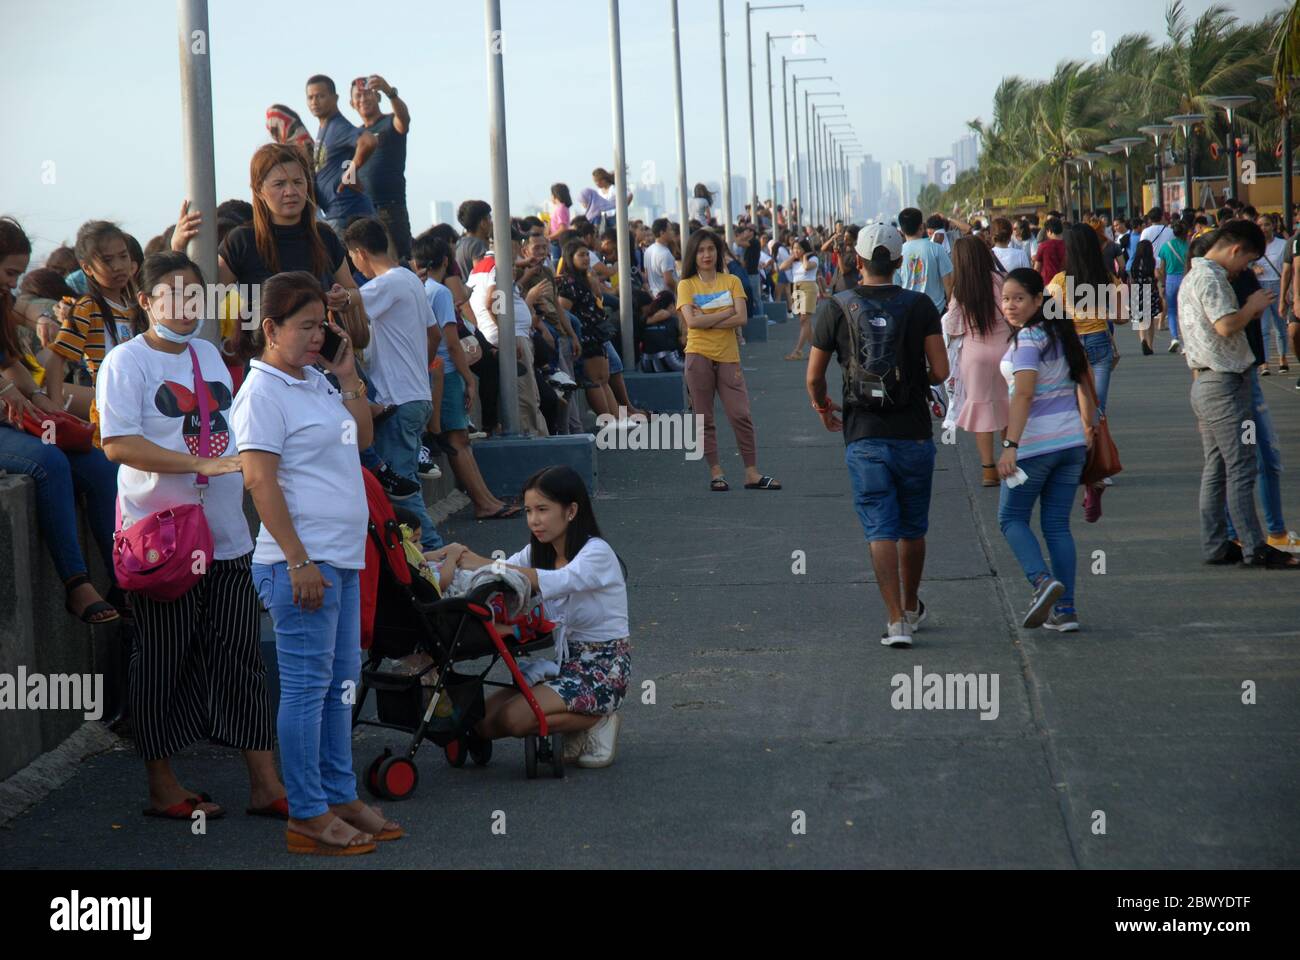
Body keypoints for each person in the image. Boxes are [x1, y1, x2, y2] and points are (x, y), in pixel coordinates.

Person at [98, 250, 286, 820]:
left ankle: (264, 781)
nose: (184, 307)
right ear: (145, 300)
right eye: (171, 296)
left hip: (226, 534)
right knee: (162, 660)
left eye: (194, 296)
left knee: (240, 656)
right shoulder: (125, 362)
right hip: (162, 541)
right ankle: (162, 785)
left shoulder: (207, 352)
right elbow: (116, 443)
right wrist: (199, 466)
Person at [232, 271, 402, 854]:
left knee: (341, 684)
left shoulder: (316, 381)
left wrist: (348, 376)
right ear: (270, 328)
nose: (316, 336)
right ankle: (306, 810)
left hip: (340, 556)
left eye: (320, 325)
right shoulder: (261, 393)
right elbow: (259, 480)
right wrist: (299, 559)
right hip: (300, 562)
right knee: (308, 690)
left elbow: (358, 441)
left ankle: (338, 792)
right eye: (305, 327)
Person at [806, 221, 947, 647]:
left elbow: (814, 377)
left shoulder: (834, 307)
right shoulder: (920, 305)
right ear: (899, 261)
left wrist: (824, 406)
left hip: (863, 432)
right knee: (912, 527)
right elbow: (941, 370)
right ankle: (910, 605)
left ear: (859, 260)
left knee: (879, 528)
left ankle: (895, 622)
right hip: (914, 432)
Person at [434, 465, 630, 768]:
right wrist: (447, 558)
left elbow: (553, 581)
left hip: (602, 669)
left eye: (543, 509)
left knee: (514, 720)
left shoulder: (597, 552)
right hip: (565, 664)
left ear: (571, 510)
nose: (534, 520)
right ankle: (577, 720)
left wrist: (486, 564)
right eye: (528, 511)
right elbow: (499, 578)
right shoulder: (538, 551)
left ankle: (595, 720)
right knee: (481, 724)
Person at [0, 217, 120, 624]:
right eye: (10, 272)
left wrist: (37, 398)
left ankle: (124, 578)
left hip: (12, 419)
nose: (14, 284)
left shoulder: (3, 303)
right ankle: (77, 584)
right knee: (48, 462)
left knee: (98, 464)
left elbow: (13, 366)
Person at [1177, 220, 1298, 569]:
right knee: (1242, 466)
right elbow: (1226, 324)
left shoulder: (1192, 277)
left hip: (1206, 383)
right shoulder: (1211, 277)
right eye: (1246, 261)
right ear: (1235, 250)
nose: (1245, 268)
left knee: (1216, 467)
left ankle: (1217, 543)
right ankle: (1255, 547)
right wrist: (1253, 306)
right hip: (1225, 385)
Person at [995, 268, 1097, 631]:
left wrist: (1010, 446)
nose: (1010, 305)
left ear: (1039, 300)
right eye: (1005, 298)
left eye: (1019, 298)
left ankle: (1042, 582)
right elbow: (1086, 378)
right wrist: (1088, 424)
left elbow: (1023, 393)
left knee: (1010, 519)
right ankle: (1065, 610)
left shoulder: (1028, 340)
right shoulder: (1062, 333)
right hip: (1070, 444)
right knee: (1056, 526)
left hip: (1036, 445)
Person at [343, 217, 444, 550]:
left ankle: (433, 554)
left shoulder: (385, 284)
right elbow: (434, 333)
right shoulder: (411, 280)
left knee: (402, 493)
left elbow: (346, 304)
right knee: (406, 483)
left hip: (397, 402)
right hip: (417, 396)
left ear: (358, 253)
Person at [410, 233, 519, 519]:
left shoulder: (419, 289)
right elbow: (451, 341)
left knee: (456, 441)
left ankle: (487, 500)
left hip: (428, 374)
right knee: (458, 441)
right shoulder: (441, 293)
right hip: (445, 373)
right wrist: (469, 378)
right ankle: (485, 503)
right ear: (446, 261)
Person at [677, 229, 779, 492]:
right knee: (704, 417)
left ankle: (751, 473)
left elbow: (742, 318)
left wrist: (706, 319)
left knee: (741, 414)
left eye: (711, 249)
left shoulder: (731, 280)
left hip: (728, 357)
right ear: (693, 255)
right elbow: (691, 322)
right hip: (697, 356)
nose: (707, 254)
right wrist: (725, 312)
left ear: (719, 251)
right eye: (701, 250)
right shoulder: (686, 285)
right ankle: (716, 472)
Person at [44, 221, 140, 437]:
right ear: (87, 268)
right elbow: (57, 358)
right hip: (109, 414)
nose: (118, 266)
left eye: (123, 256)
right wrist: (56, 408)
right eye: (107, 260)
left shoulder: (137, 307)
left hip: (141, 407)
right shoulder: (88, 307)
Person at [943, 237, 1011, 487]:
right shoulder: (1001, 280)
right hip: (1006, 350)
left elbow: (952, 326)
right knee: (1008, 405)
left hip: (975, 354)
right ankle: (1009, 459)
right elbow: (1013, 313)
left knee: (983, 407)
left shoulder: (961, 289)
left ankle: (988, 470)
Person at [468, 229, 549, 436]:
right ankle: (533, 441)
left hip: (501, 336)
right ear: (510, 243)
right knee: (526, 398)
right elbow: (493, 301)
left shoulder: (481, 266)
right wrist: (509, 336)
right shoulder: (499, 266)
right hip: (511, 338)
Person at [350, 75, 412, 263]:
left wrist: (389, 91)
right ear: (351, 103)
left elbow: (404, 119)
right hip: (363, 211)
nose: (363, 99)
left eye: (368, 94)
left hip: (390, 208)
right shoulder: (354, 135)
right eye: (358, 96)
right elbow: (348, 171)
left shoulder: (390, 121)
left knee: (401, 263)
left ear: (377, 97)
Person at [305, 74, 376, 237]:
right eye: (310, 97)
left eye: (320, 96)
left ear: (335, 98)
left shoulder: (338, 126)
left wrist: (351, 169)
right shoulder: (324, 128)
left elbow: (369, 140)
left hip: (347, 214)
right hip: (335, 213)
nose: (314, 101)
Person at [556, 240, 619, 419]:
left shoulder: (586, 278)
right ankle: (608, 420)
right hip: (584, 336)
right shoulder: (568, 282)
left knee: (603, 379)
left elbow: (598, 299)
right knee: (594, 381)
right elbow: (564, 311)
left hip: (596, 333)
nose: (585, 258)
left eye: (587, 254)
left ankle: (616, 419)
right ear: (570, 258)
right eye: (581, 255)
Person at [895, 207, 953, 313]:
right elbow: (949, 285)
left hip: (910, 315)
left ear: (902, 231)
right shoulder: (937, 249)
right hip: (936, 313)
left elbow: (896, 289)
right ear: (922, 227)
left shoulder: (897, 254)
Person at [1252, 214, 1288, 374]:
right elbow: (1246, 263)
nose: (1263, 228)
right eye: (1260, 225)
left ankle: (1282, 358)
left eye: (1266, 225)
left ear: (1273, 226)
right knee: (1264, 327)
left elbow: (1288, 268)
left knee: (1280, 326)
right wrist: (1254, 268)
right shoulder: (1254, 245)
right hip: (1260, 287)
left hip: (1278, 284)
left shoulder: (1283, 244)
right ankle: (1264, 362)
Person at [782, 239, 821, 360]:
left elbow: (807, 267)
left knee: (804, 319)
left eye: (798, 248)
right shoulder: (794, 261)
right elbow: (782, 267)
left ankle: (798, 350)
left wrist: (804, 257)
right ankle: (816, 349)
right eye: (794, 248)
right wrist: (792, 256)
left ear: (805, 249)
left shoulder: (813, 259)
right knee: (805, 321)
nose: (796, 251)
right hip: (797, 288)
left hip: (808, 287)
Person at [1155, 219, 1190, 355]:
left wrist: (1163, 284)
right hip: (1185, 279)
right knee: (1185, 312)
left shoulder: (1166, 247)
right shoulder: (1189, 246)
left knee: (1172, 311)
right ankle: (1186, 343)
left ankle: (1175, 338)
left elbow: (1162, 269)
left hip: (1170, 280)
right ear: (1186, 233)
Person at [1129, 239, 1160, 355]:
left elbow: (1132, 279)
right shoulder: (1152, 261)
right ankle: (1150, 345)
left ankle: (1143, 340)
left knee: (1141, 319)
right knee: (1150, 320)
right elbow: (1157, 275)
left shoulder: (1135, 263)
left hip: (1137, 291)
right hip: (1149, 290)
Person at [455, 200, 492, 280]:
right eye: (489, 218)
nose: (491, 223)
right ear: (483, 223)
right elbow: (482, 275)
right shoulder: (477, 245)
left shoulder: (460, 243)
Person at [644, 218, 677, 298]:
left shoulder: (648, 250)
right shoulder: (665, 253)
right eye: (670, 230)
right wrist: (681, 290)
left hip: (655, 296)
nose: (673, 232)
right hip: (668, 299)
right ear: (662, 233)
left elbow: (646, 276)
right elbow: (668, 280)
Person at [1032, 217, 1066, 284]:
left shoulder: (1044, 246)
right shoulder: (1069, 245)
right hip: (1066, 283)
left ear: (1049, 231)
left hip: (1048, 284)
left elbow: (1037, 269)